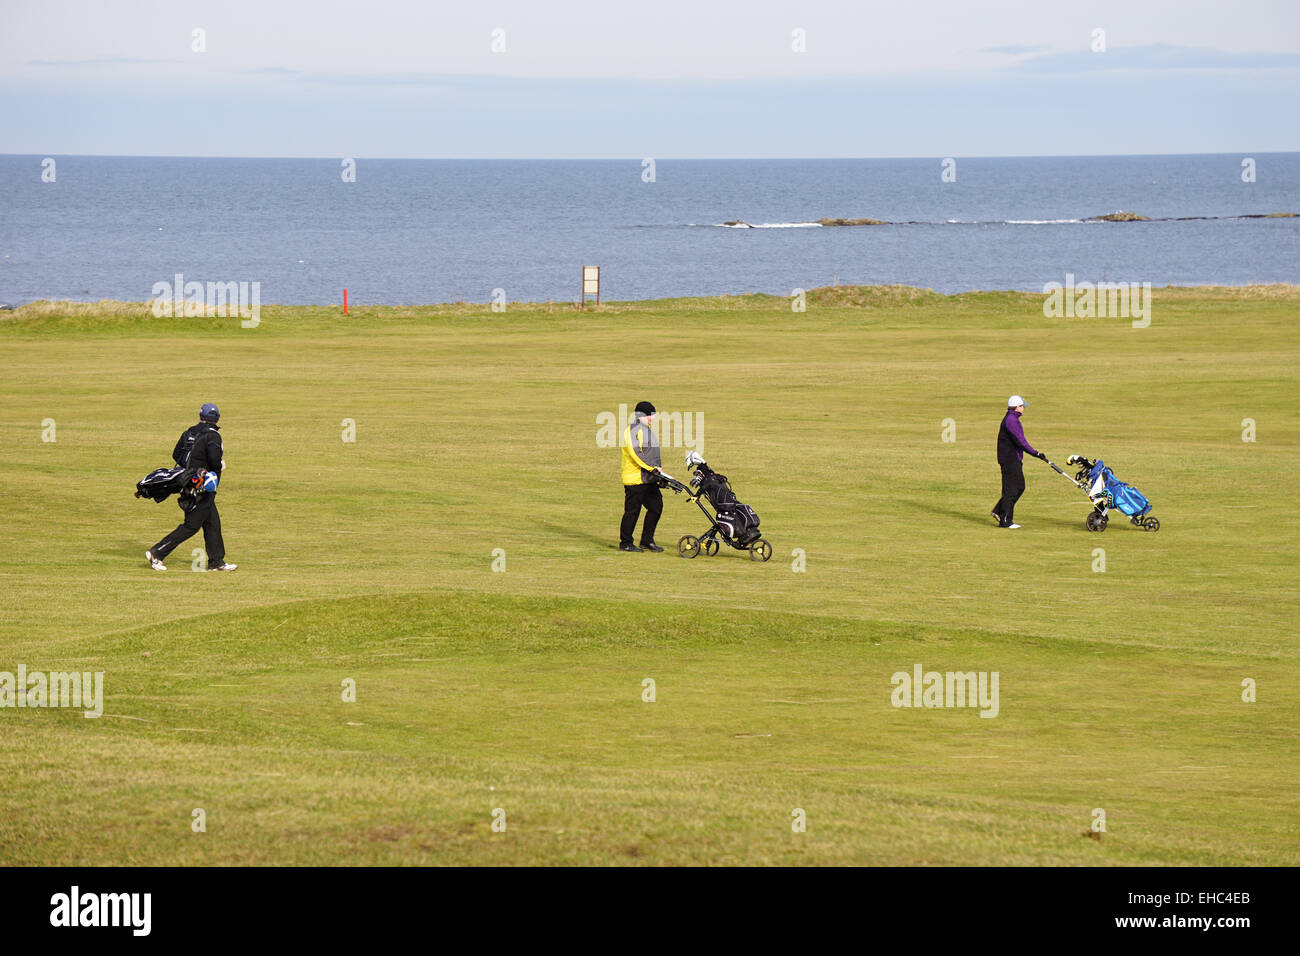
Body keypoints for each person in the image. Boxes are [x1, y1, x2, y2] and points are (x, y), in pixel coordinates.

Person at [145, 403, 237, 571]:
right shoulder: (213, 436)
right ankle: (157, 552)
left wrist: (190, 470)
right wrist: (218, 466)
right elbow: (215, 459)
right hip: (202, 487)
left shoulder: (190, 432)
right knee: (191, 525)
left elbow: (177, 454)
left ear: (200, 416)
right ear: (217, 419)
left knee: (212, 523)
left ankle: (216, 561)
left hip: (188, 482)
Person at [992, 395, 1046, 530]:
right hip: (1010, 459)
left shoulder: (1012, 419)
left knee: (1018, 487)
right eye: (1022, 406)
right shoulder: (1011, 421)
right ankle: (1005, 520)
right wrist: (1036, 453)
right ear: (1017, 407)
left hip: (1012, 459)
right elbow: (1021, 441)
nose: (1024, 409)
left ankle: (999, 511)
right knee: (1013, 489)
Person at [619, 401, 665, 552]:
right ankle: (625, 543)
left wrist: (659, 471)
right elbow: (636, 454)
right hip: (635, 480)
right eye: (650, 415)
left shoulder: (646, 430)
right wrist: (653, 468)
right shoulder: (632, 430)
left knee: (656, 507)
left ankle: (647, 540)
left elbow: (651, 454)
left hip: (649, 478)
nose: (652, 418)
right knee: (632, 512)